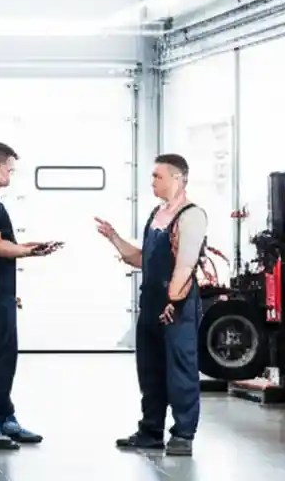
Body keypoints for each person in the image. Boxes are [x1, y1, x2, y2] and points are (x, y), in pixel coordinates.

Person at [95, 153, 207, 457]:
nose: (152, 182)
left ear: (177, 178)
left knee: (180, 370)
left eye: (157, 176)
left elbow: (185, 266)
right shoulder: (158, 214)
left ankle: (183, 434)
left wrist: (173, 301)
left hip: (177, 304)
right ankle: (151, 431)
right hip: (151, 302)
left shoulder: (191, 215)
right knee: (151, 370)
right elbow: (143, 259)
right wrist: (114, 238)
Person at [0, 142, 60, 450]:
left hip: (1, 285)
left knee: (6, 353)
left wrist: (32, 245)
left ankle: (5, 416)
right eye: (8, 169)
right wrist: (29, 253)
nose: (10, 175)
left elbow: (5, 242)